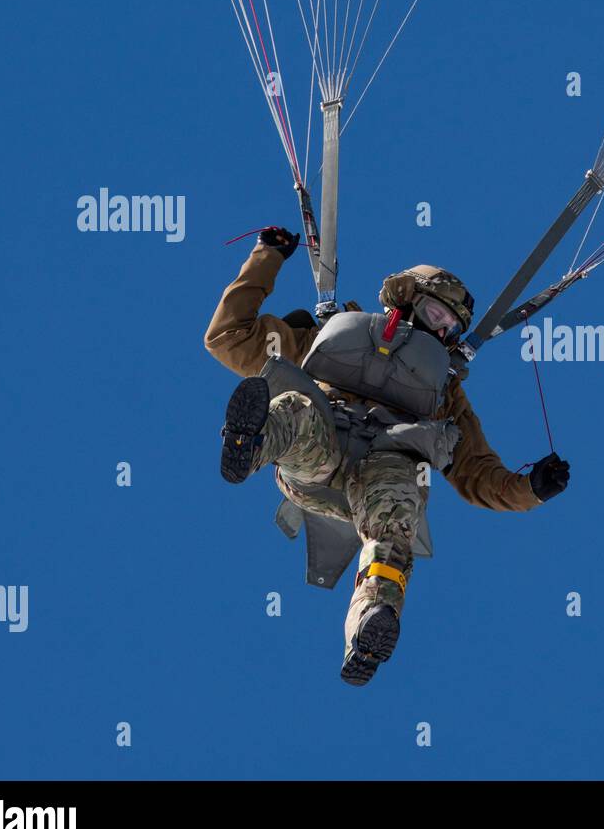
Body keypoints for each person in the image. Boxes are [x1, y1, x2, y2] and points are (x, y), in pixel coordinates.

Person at [205, 226, 570, 685]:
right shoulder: (324, 337)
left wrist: (529, 489)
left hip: (377, 480)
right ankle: (249, 443)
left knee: (400, 504)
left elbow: (476, 472)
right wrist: (268, 257)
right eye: (438, 313)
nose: (440, 330)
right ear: (406, 299)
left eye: (450, 329)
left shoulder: (445, 393)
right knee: (296, 405)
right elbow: (228, 336)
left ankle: (370, 624)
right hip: (316, 455)